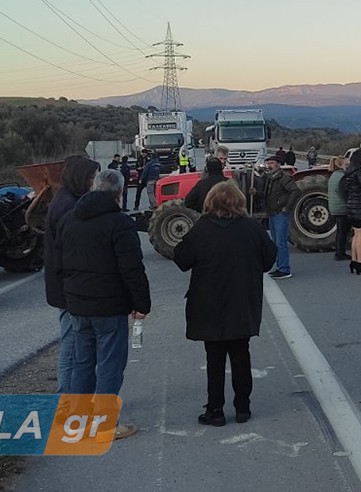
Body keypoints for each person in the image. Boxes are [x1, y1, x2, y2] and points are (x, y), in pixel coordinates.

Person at [50, 169, 149, 440]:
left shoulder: (69, 219)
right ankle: (105, 425)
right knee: (110, 365)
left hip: (78, 307)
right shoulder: (119, 224)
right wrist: (141, 304)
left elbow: (58, 265)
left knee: (82, 362)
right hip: (109, 307)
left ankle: (78, 422)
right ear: (120, 192)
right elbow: (132, 269)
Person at [174, 183, 276, 427]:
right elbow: (269, 259)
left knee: (215, 357)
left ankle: (215, 409)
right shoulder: (252, 228)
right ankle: (242, 407)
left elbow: (182, 259)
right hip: (242, 300)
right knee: (241, 354)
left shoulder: (201, 229)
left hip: (209, 302)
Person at [44, 155, 101, 395]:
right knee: (71, 344)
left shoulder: (64, 199)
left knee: (76, 342)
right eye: (91, 178)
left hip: (64, 285)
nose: (93, 183)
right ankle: (65, 396)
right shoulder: (69, 206)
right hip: (68, 288)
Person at [263, 156, 299, 280]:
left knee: (281, 242)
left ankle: (284, 269)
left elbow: (295, 190)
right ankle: (279, 267)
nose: (269, 165)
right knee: (276, 242)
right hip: (273, 213)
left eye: (272, 163)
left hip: (280, 213)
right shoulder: (271, 178)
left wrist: (287, 207)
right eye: (268, 163)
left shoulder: (284, 177)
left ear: (278, 164)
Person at [327, 157, 351, 262]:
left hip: (334, 207)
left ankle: (338, 251)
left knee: (340, 231)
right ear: (341, 165)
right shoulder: (343, 177)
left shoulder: (333, 175)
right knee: (343, 231)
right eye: (346, 164)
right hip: (342, 207)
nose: (348, 166)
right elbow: (344, 192)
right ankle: (340, 252)